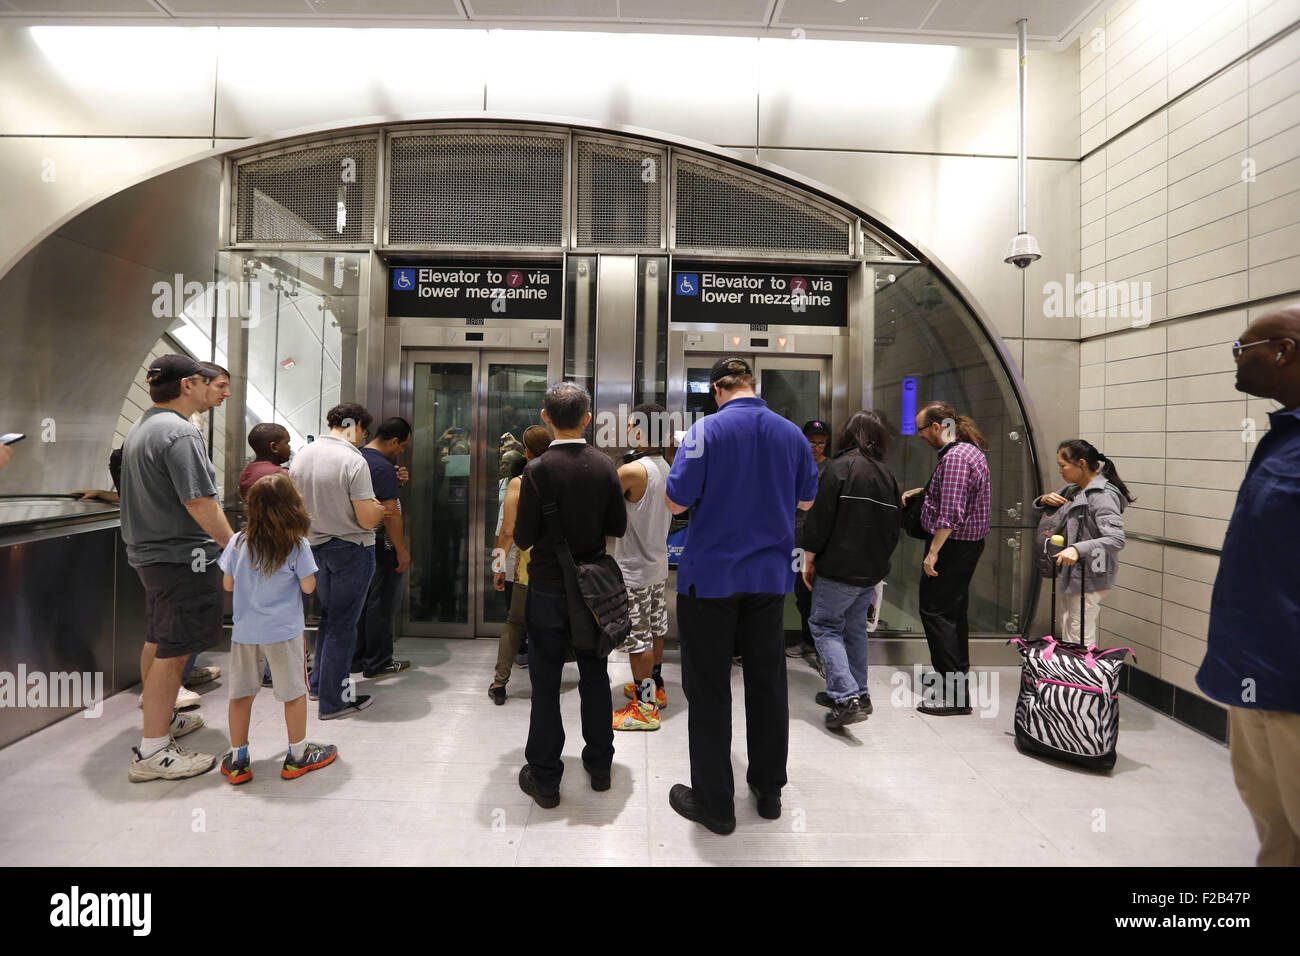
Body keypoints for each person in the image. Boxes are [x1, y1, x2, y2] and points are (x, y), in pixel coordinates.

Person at [665, 357, 819, 834]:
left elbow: (675, 501)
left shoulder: (703, 433)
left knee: (709, 688)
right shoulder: (792, 435)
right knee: (768, 682)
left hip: (709, 580)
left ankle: (715, 805)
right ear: (755, 386)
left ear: (717, 390)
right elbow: (807, 501)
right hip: (769, 580)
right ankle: (768, 789)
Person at [1197, 308, 1300, 866]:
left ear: (1283, 351)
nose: (1235, 361)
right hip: (1254, 677)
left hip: (1292, 684)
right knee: (1277, 835)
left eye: (1243, 349)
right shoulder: (1282, 438)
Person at [121, 354, 235, 781]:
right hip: (180, 558)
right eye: (211, 384)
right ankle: (153, 752)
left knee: (158, 638)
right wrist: (234, 545)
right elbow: (198, 501)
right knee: (174, 650)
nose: (218, 392)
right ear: (188, 385)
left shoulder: (142, 425)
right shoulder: (180, 433)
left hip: (153, 556)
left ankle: (162, 720)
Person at [512, 383, 627, 808]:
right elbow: (617, 525)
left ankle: (545, 779)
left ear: (545, 417)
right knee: (595, 673)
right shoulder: (604, 466)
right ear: (587, 418)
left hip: (546, 588)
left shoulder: (537, 470)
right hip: (592, 591)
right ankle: (599, 767)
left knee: (545, 680)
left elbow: (523, 536)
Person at [219, 472, 337, 784]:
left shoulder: (237, 542)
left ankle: (239, 760)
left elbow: (227, 584)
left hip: (245, 633)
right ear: (292, 506)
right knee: (293, 694)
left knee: (241, 695)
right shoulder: (296, 545)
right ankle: (298, 756)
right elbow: (309, 588)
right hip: (284, 633)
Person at [801, 411, 901, 729]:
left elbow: (821, 519)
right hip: (870, 570)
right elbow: (892, 528)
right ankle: (860, 692)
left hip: (839, 567)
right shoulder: (886, 474)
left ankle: (846, 698)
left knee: (825, 626)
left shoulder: (839, 468)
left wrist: (810, 557)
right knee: (855, 629)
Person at [289, 402, 386, 719]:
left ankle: (319, 686)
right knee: (344, 625)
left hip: (315, 547)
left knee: (330, 619)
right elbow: (367, 518)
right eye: (363, 431)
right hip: (351, 548)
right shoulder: (352, 461)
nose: (362, 438)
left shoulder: (303, 455)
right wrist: (380, 509)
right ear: (355, 424)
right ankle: (334, 701)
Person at [901, 401, 991, 716]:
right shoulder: (970, 451)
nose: (921, 436)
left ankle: (953, 696)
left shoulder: (954, 458)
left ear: (937, 427)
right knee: (954, 616)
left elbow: (951, 513)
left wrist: (933, 552)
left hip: (951, 548)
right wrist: (925, 493)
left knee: (936, 614)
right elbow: (955, 497)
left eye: (922, 430)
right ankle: (954, 682)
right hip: (966, 546)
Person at [1032, 439, 1133, 643]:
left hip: (1092, 571)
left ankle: (1081, 673)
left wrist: (1077, 549)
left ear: (1081, 464)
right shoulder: (1074, 490)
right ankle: (1070, 673)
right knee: (1070, 624)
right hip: (1075, 571)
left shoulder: (1102, 495)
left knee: (1079, 632)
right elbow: (1045, 510)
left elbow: (1115, 539)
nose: (1060, 470)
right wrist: (1042, 500)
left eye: (1063, 465)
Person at [612, 403, 674, 732]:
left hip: (634, 570)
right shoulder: (666, 466)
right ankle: (656, 687)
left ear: (640, 430)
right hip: (656, 566)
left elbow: (602, 506)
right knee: (655, 630)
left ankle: (644, 707)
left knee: (639, 642)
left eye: (631, 425)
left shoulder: (632, 472)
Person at [489, 425, 552, 704]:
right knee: (550, 625)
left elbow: (507, 532)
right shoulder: (562, 475)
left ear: (525, 451)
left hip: (527, 567)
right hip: (559, 566)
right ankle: (546, 683)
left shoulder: (519, 482)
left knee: (515, 623)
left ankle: (500, 684)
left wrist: (498, 566)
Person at [354, 417, 414, 679]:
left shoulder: (358, 458)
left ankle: (357, 658)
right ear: (393, 441)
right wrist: (401, 550)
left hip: (360, 544)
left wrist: (396, 482)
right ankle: (378, 661)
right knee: (382, 603)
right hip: (382, 544)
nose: (401, 451)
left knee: (363, 603)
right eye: (402, 446)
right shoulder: (381, 466)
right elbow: (389, 513)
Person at [789, 419, 832, 671]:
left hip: (819, 539)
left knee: (818, 593)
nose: (816, 447)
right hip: (794, 537)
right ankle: (808, 639)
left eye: (820, 443)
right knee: (801, 592)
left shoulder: (833, 469)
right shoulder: (794, 465)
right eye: (811, 442)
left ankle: (822, 649)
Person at [238, 422, 292, 501]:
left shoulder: (246, 473)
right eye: (287, 443)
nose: (289, 447)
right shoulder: (281, 474)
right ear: (274, 447)